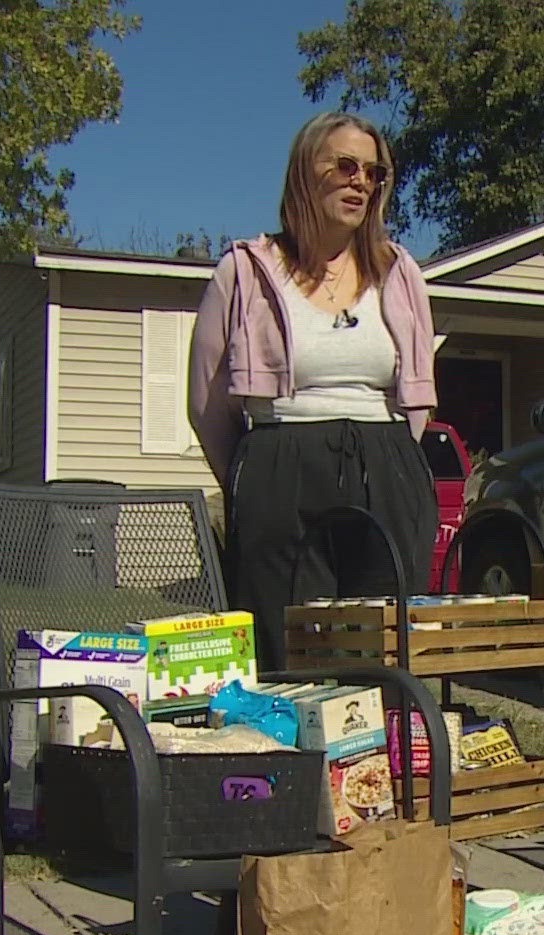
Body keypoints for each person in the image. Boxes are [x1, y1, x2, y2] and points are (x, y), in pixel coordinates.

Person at [188, 112, 439, 665]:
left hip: (387, 465)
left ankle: (382, 755)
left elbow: (415, 396)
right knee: (288, 654)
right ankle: (292, 756)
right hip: (281, 469)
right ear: (306, 172)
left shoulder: (400, 273)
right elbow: (206, 404)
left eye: (373, 173)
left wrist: (393, 460)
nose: (360, 182)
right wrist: (254, 479)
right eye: (345, 167)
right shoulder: (246, 272)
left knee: (385, 650)